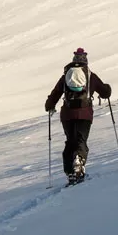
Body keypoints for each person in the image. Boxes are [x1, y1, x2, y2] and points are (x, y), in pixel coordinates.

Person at [45, 48, 112, 184]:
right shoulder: (90, 75)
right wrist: (108, 88)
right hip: (84, 113)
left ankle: (70, 171)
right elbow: (104, 92)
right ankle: (79, 161)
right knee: (81, 140)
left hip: (67, 114)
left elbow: (56, 93)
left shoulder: (66, 76)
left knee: (70, 140)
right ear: (85, 61)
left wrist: (49, 105)